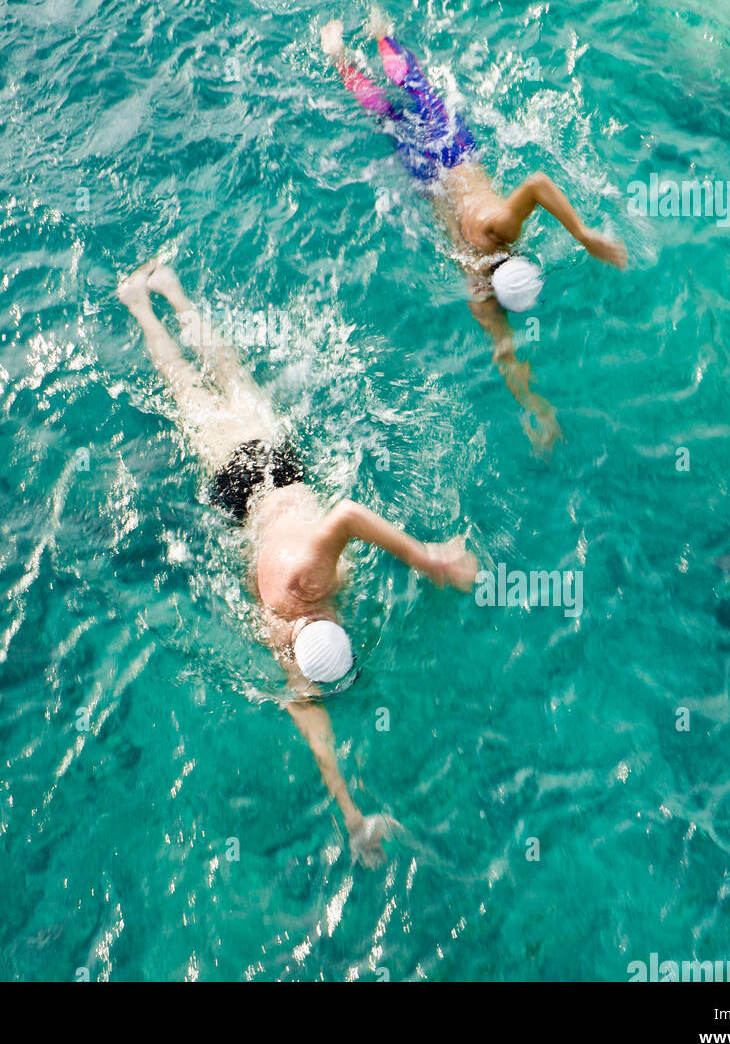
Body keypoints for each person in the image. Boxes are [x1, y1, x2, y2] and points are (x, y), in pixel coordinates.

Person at [118, 257, 477, 867]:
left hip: (259, 478)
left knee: (210, 379)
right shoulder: (292, 620)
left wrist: (353, 815)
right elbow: (345, 515)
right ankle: (149, 298)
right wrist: (429, 563)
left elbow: (346, 519)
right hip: (250, 471)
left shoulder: (306, 603)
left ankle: (152, 299)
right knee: (201, 381)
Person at [321, 9, 627, 451]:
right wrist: (533, 407)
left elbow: (539, 184)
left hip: (450, 156)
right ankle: (340, 59)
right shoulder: (480, 293)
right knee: (387, 116)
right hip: (429, 179)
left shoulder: (497, 229)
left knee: (416, 92)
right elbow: (505, 354)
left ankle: (378, 36)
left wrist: (586, 236)